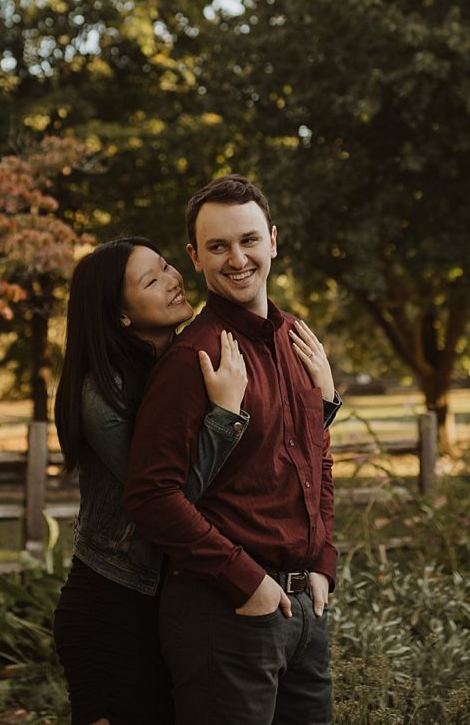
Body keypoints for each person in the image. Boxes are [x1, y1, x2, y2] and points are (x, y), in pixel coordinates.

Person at [126, 175, 340, 725]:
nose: (237, 258)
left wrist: (321, 563)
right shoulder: (192, 358)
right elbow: (152, 495)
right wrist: (249, 585)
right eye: (218, 247)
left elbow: (318, 461)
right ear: (195, 258)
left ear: (272, 239)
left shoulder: (298, 340)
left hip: (303, 610)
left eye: (248, 240)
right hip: (226, 612)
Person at [51, 237, 252, 725]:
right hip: (112, 604)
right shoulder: (103, 394)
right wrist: (224, 412)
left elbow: (252, 465)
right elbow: (170, 495)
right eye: (151, 279)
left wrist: (323, 404)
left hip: (172, 601)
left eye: (166, 266)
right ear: (121, 315)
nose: (172, 279)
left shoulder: (182, 364)